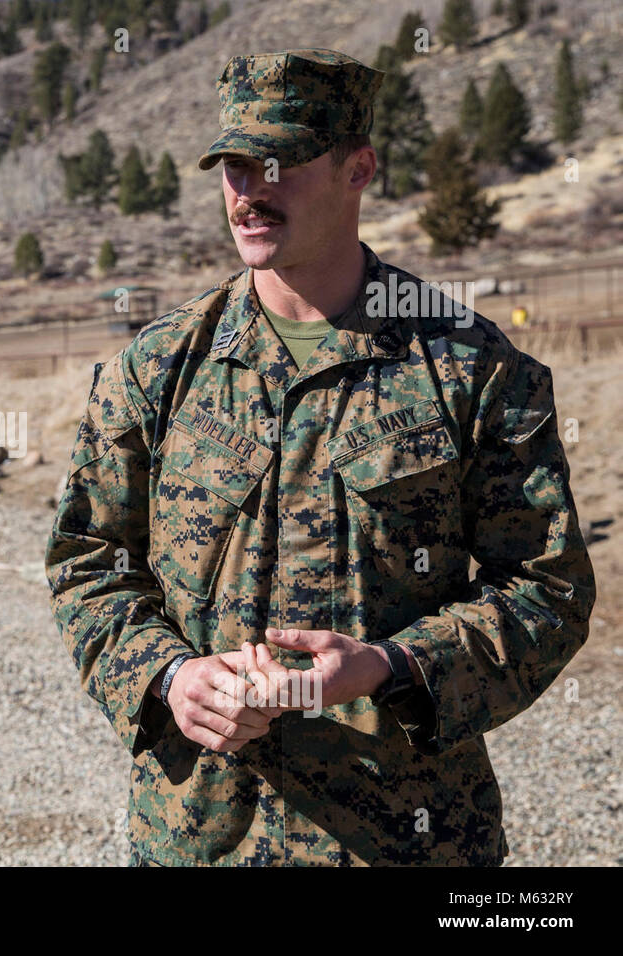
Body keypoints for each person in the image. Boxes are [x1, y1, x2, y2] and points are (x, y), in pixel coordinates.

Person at [45, 49, 595, 866]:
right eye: (233, 165)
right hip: (201, 837)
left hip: (406, 840)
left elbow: (548, 589)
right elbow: (88, 561)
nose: (249, 191)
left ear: (358, 168)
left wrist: (390, 664)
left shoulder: (471, 368)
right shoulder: (157, 369)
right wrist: (169, 678)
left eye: (280, 162)